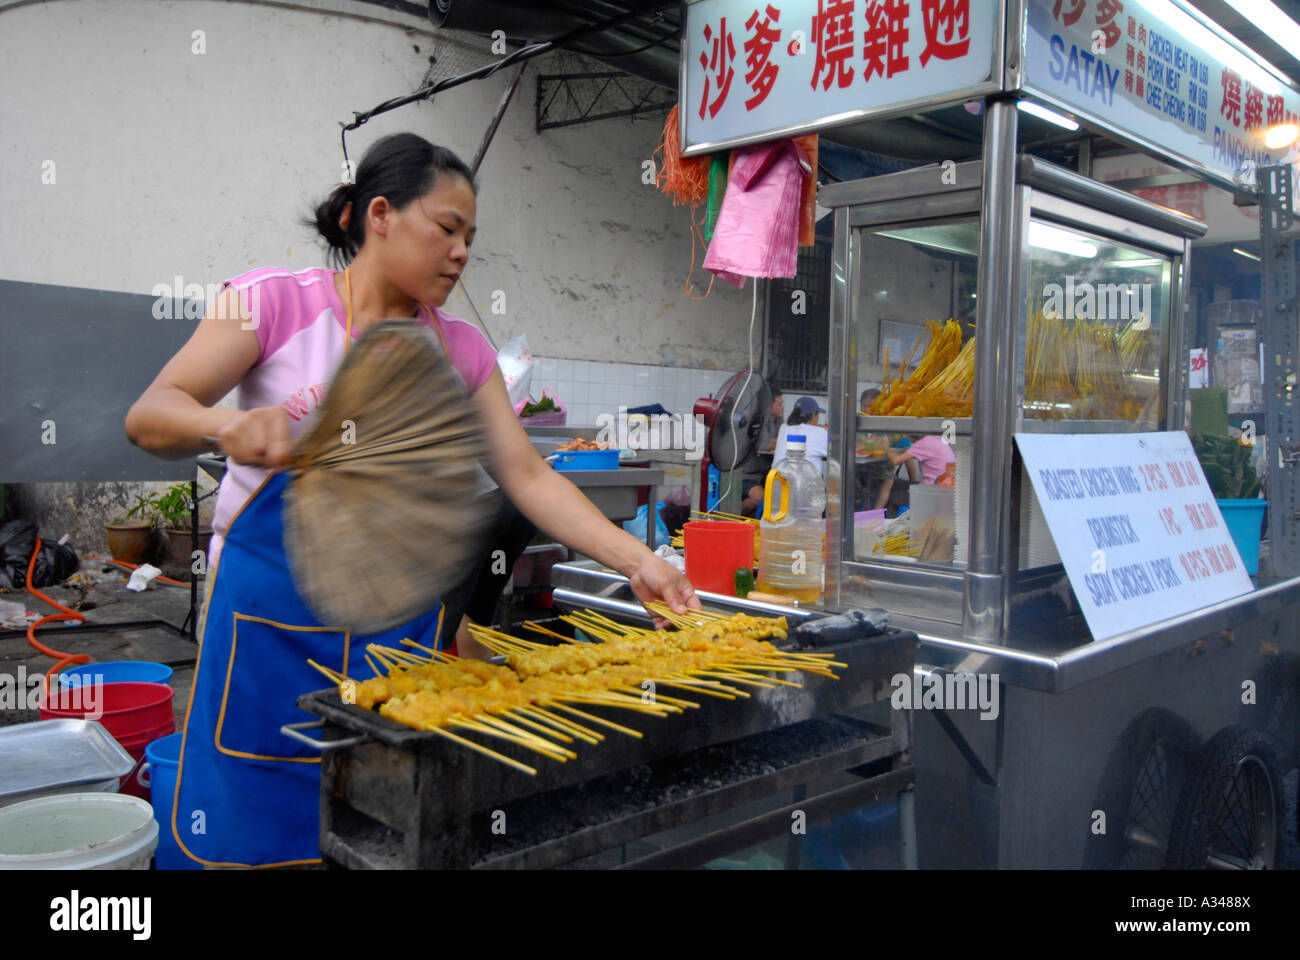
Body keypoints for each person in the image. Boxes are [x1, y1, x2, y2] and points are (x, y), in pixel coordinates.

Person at [124, 133, 699, 868]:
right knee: (251, 832)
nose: (461, 253)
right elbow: (150, 416)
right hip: (267, 631)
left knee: (386, 834)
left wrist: (638, 559)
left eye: (470, 238)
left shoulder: (460, 351)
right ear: (380, 215)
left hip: (398, 638)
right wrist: (224, 423)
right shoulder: (271, 305)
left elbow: (526, 475)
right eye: (447, 228)